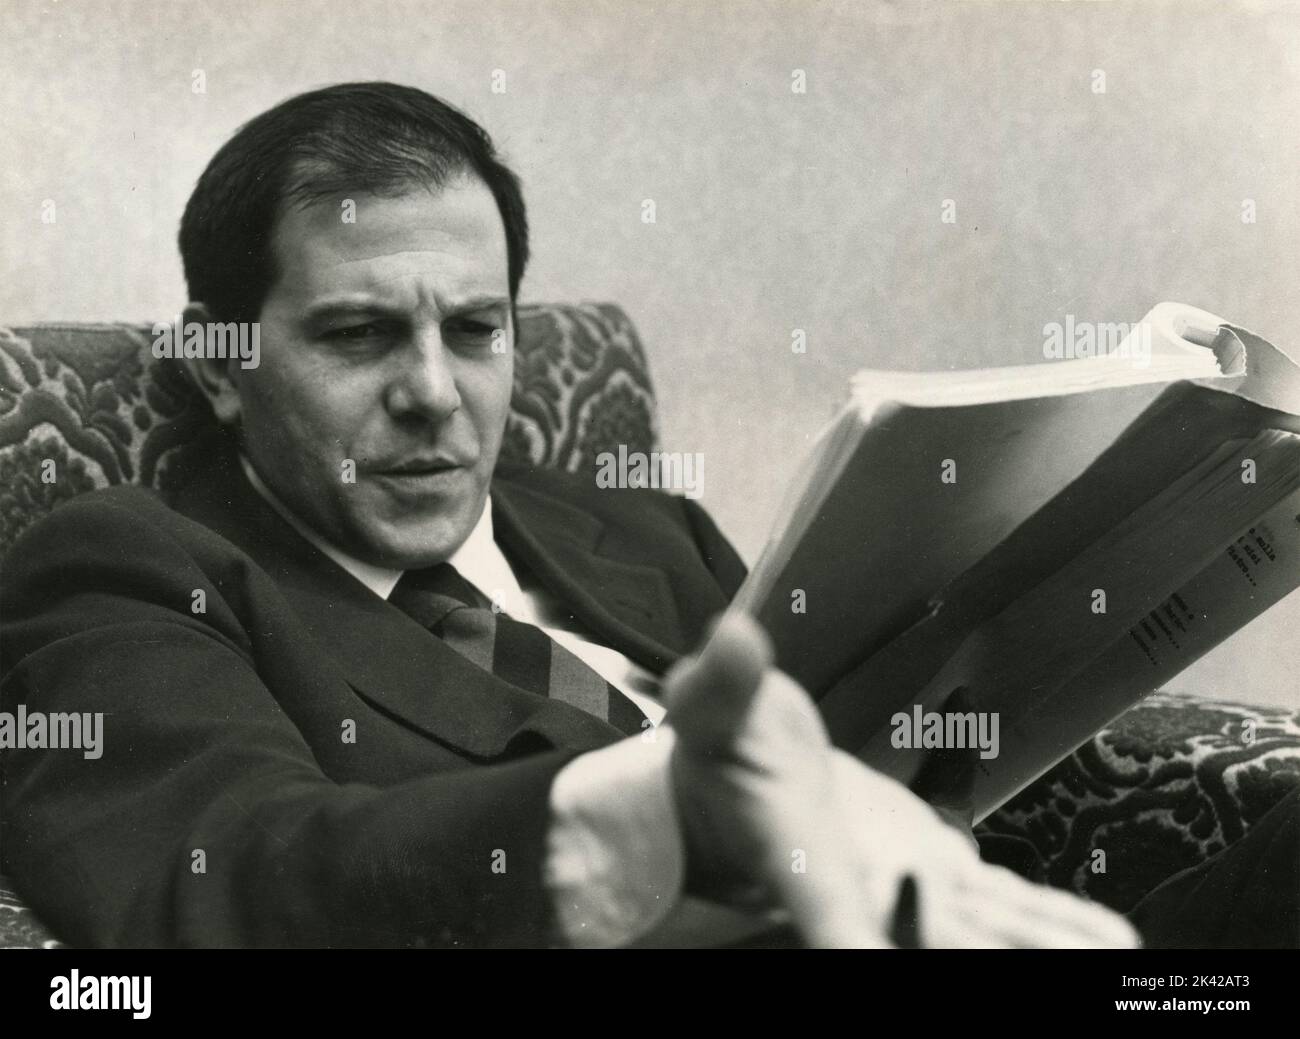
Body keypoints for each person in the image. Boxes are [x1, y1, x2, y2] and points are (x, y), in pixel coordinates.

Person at [0, 82, 1141, 949]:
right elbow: (232, 868)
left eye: (476, 328)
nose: (435, 393)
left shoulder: (659, 534)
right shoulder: (129, 569)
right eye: (358, 335)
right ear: (216, 362)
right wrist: (636, 812)